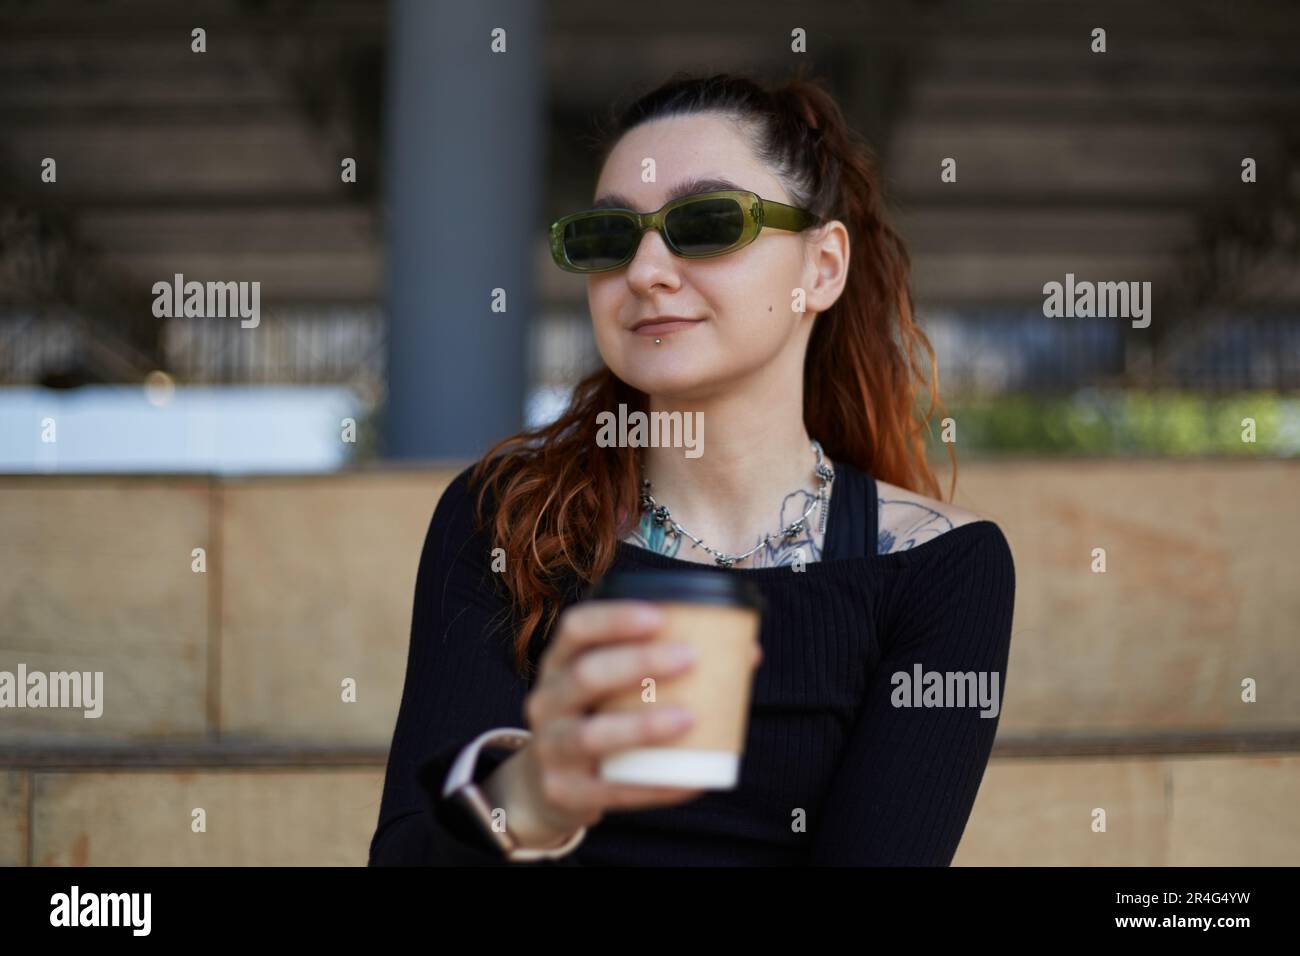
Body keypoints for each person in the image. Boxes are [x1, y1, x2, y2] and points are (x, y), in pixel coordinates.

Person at [369, 70, 1015, 866]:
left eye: (706, 223)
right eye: (609, 239)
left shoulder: (939, 567)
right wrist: (537, 793)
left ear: (823, 267)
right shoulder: (505, 519)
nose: (644, 272)